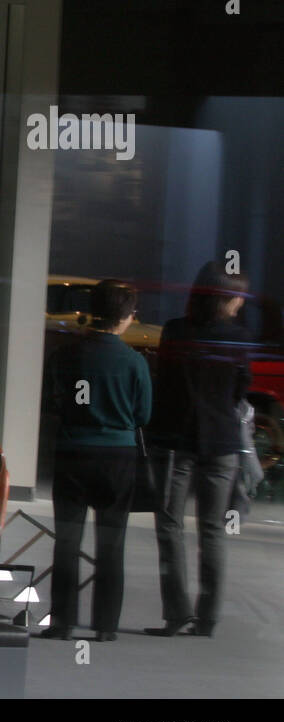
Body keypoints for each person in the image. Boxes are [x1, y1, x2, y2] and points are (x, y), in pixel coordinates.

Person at [41, 279, 152, 641]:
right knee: (111, 543)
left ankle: (62, 622)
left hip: (73, 452)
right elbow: (142, 414)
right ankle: (105, 626)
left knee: (67, 541)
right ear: (126, 318)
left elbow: (53, 402)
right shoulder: (135, 363)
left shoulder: (66, 355)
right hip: (117, 457)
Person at [145, 262, 251, 638]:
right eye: (238, 295)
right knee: (213, 531)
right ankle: (207, 619)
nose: (241, 301)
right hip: (221, 444)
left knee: (170, 525)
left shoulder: (175, 331)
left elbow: (165, 382)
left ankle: (176, 615)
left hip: (176, 442)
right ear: (226, 298)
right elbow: (241, 391)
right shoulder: (237, 338)